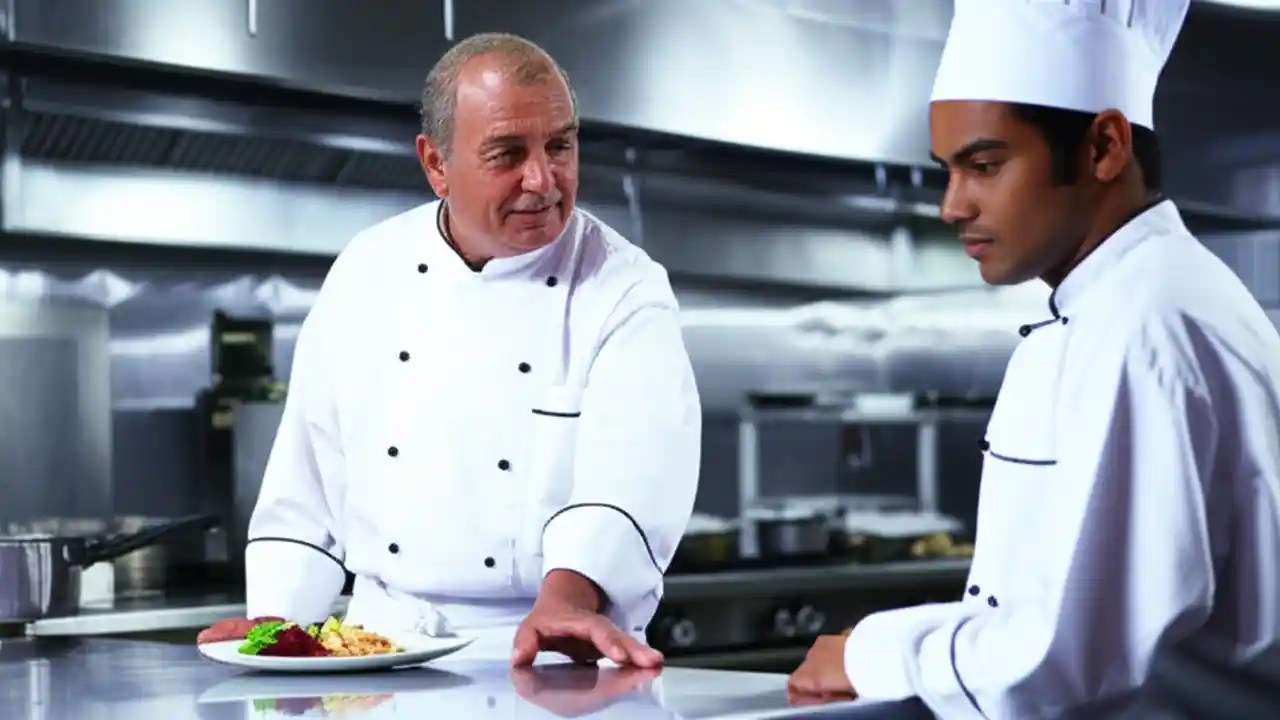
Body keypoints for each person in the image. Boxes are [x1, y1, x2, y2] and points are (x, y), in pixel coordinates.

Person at [789, 0, 1280, 716]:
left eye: (984, 164)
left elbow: (1071, 659)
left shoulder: (1146, 325)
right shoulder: (1125, 302)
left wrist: (869, 653)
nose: (953, 205)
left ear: (1104, 147)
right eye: (946, 171)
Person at [219, 32, 701, 667]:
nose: (542, 179)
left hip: (550, 656)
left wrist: (571, 600)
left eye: (561, 145)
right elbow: (305, 476)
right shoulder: (369, 269)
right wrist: (276, 628)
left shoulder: (623, 287)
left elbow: (635, 477)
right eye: (507, 153)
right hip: (375, 657)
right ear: (436, 164)